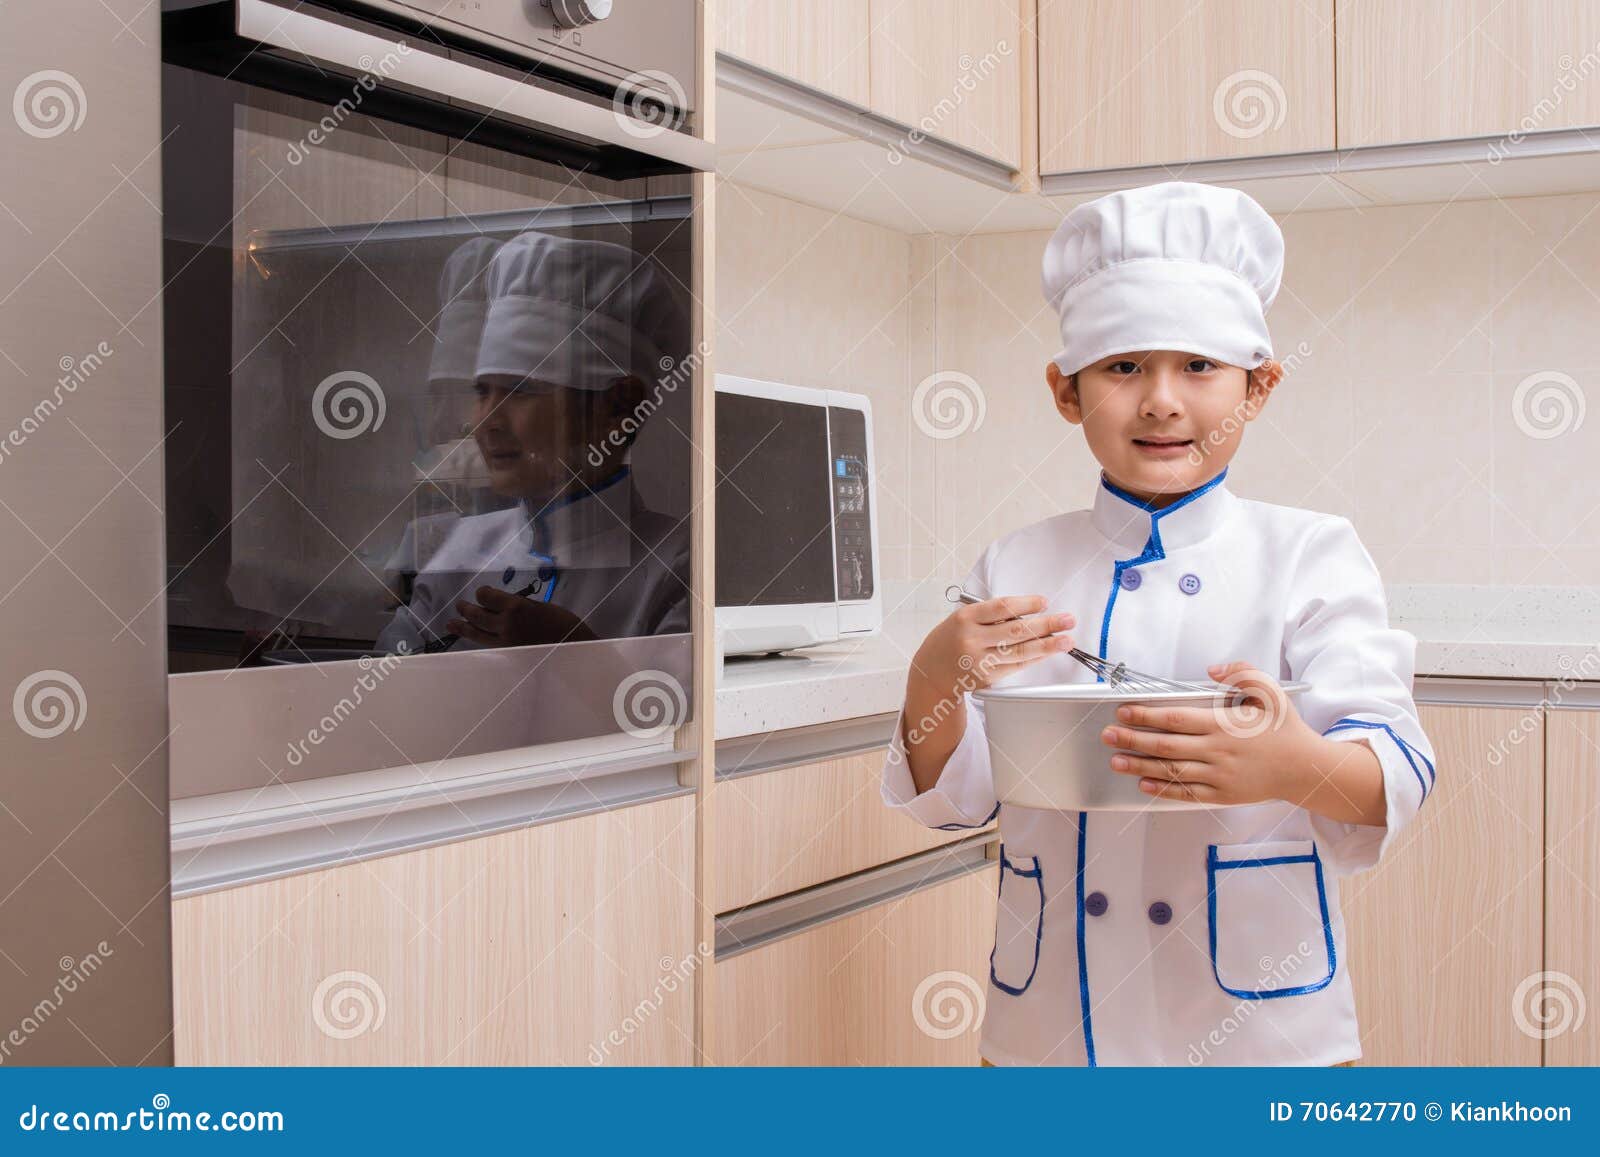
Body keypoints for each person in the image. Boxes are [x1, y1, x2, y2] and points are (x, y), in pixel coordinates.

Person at [882, 181, 1433, 1067]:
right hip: (1047, 1035)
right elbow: (961, 798)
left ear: (1260, 386)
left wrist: (1292, 763)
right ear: (1067, 391)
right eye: (1124, 366)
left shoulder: (1311, 555)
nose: (1162, 401)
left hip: (1260, 1039)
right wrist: (931, 676)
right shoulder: (1014, 564)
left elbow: (1395, 771)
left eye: (1200, 366)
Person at [377, 231, 691, 654]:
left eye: (520, 391)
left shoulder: (680, 565)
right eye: (482, 391)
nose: (484, 422)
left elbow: (680, 697)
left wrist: (576, 652)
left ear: (619, 405)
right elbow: (390, 683)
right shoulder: (460, 549)